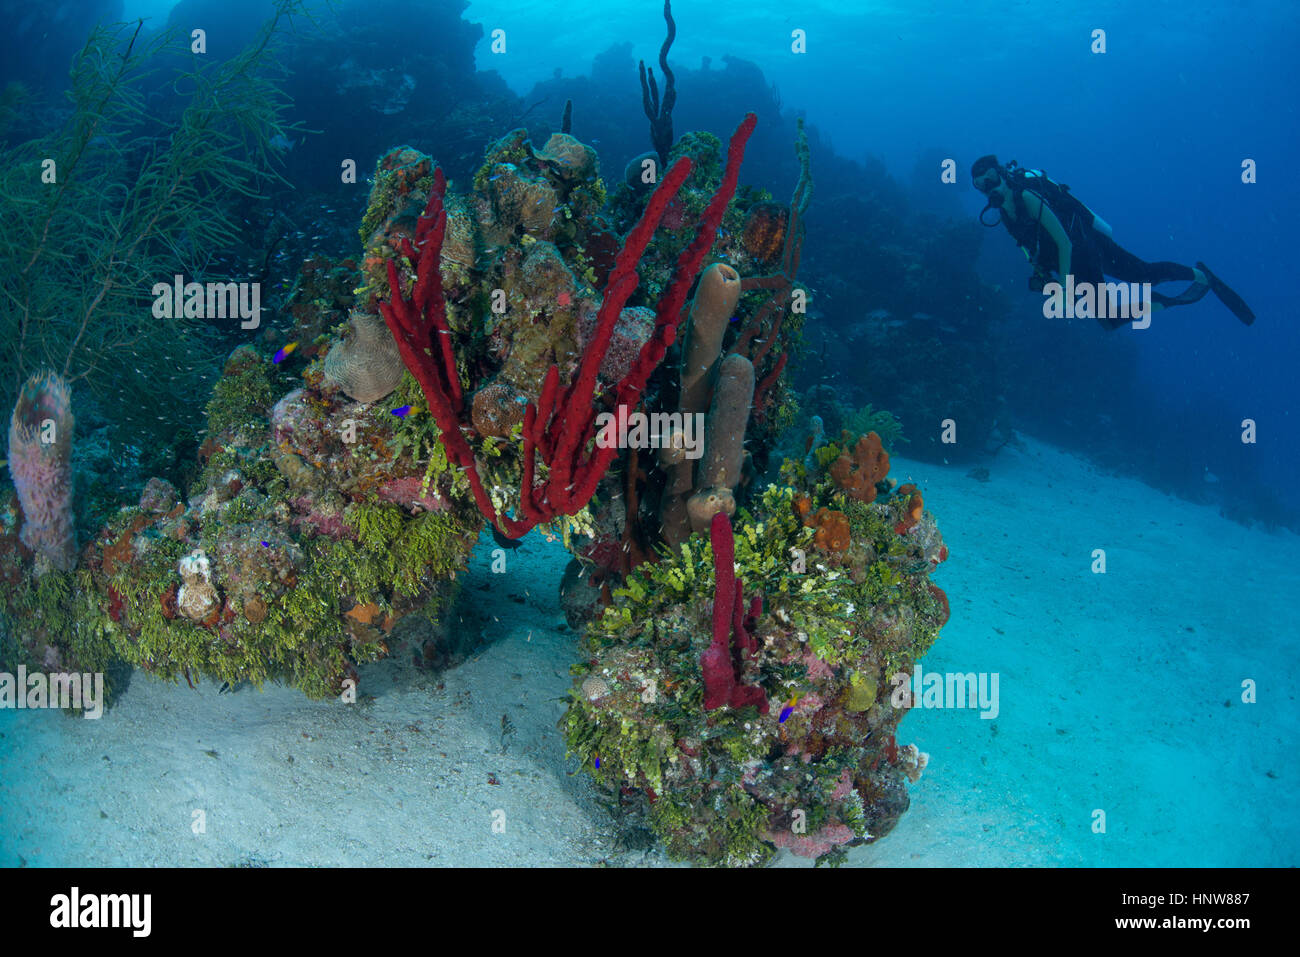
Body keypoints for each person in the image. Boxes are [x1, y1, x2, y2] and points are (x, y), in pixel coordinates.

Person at [971, 155, 1255, 327]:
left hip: (1084, 248)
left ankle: (1199, 278)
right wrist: (1041, 273)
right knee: (1138, 280)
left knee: (1137, 283)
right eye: (980, 185)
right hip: (1076, 258)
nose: (989, 188)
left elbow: (1064, 243)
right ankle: (1198, 280)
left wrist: (1067, 289)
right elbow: (1025, 246)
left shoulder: (1028, 198)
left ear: (1003, 174)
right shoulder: (1003, 214)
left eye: (991, 179)